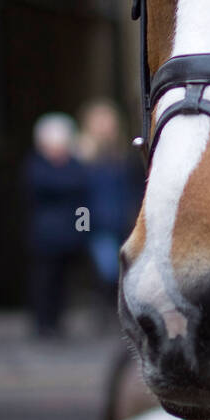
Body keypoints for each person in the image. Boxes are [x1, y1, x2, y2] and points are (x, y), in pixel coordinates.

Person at [23, 113, 89, 338]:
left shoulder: (76, 165)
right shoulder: (37, 165)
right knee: (44, 280)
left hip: (69, 235)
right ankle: (43, 322)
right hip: (46, 236)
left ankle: (57, 320)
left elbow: (84, 201)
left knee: (63, 282)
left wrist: (84, 230)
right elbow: (47, 186)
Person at [77, 99, 143, 316]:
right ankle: (106, 308)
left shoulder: (123, 155)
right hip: (97, 223)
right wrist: (82, 227)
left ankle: (114, 311)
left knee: (124, 267)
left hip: (122, 220)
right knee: (108, 269)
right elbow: (78, 194)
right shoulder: (81, 156)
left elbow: (133, 187)